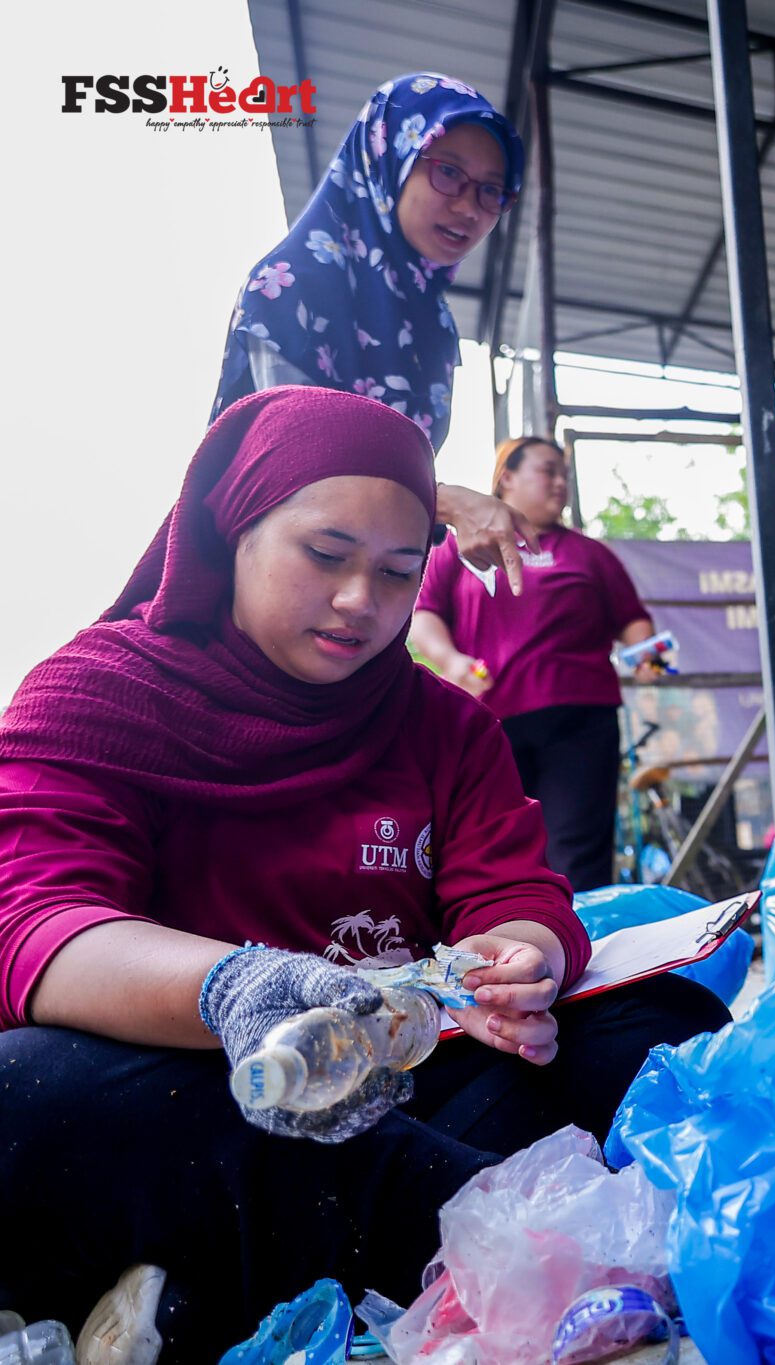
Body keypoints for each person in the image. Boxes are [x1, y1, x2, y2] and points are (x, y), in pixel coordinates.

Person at [0, 389, 729, 1358]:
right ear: (232, 534)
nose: (361, 602)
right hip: (208, 1088)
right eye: (325, 555)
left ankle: (250, 1282)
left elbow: (512, 891)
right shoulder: (98, 694)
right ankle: (522, 1244)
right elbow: (36, 923)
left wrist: (516, 961)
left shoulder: (440, 723)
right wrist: (237, 990)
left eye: (395, 572)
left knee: (647, 1022)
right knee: (36, 1085)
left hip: (396, 1078)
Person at [212, 71, 542, 595]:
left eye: (491, 191)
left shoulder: (432, 326)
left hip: (366, 598)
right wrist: (447, 501)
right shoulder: (293, 283)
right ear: (389, 157)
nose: (469, 208)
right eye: (448, 173)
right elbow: (300, 464)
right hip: (260, 596)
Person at [412, 436, 664, 891]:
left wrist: (650, 659)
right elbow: (423, 614)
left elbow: (633, 624)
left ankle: (582, 950)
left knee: (576, 852)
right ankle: (500, 949)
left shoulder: (591, 554)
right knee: (492, 848)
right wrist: (451, 661)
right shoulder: (458, 548)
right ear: (507, 476)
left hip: (580, 724)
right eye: (548, 470)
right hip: (487, 724)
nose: (560, 482)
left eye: (565, 474)